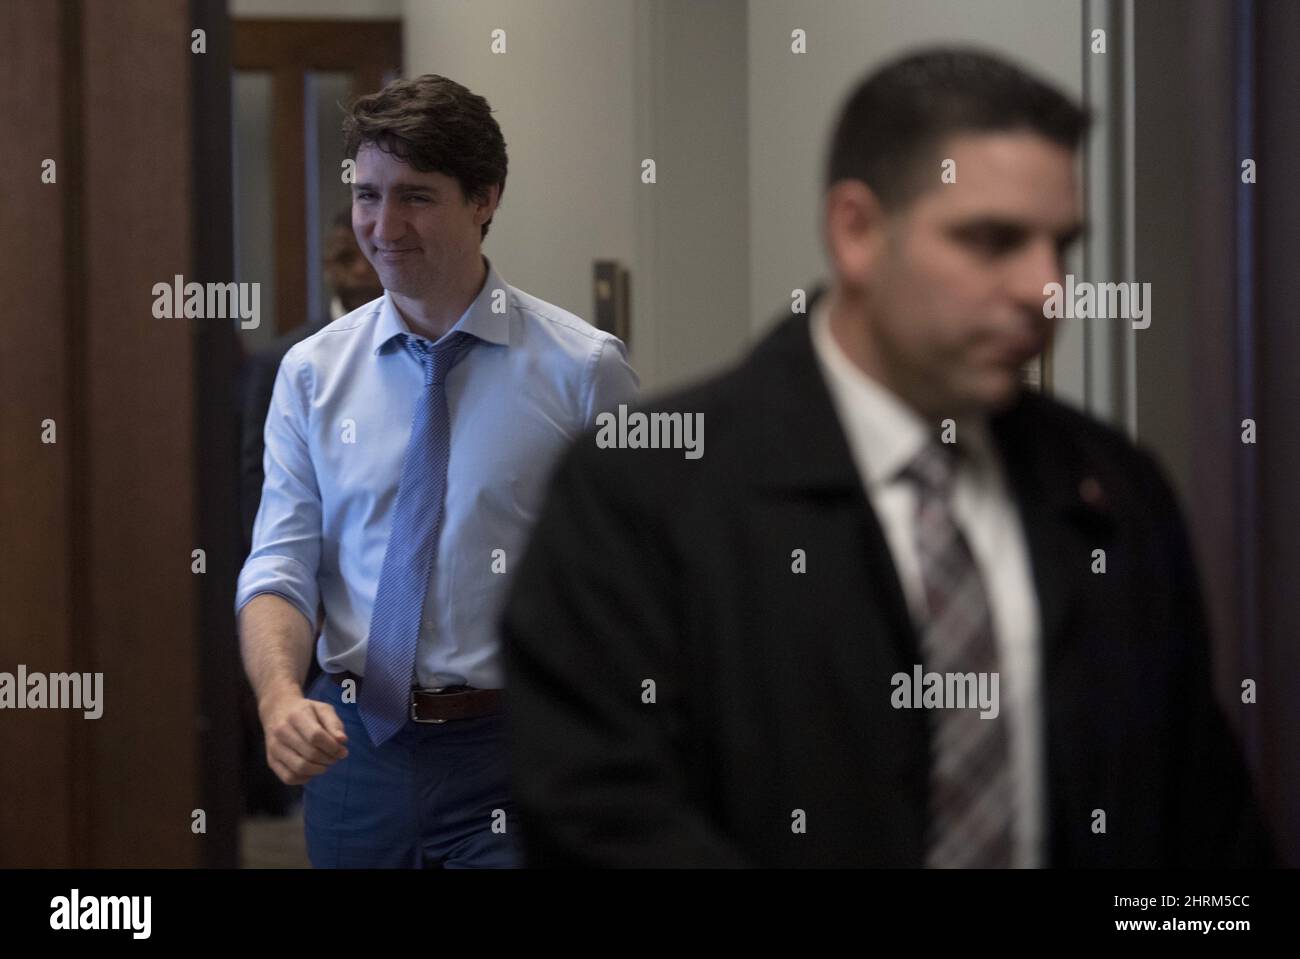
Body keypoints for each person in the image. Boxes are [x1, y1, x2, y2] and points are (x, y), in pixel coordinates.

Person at [500, 48, 1273, 867]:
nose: (1047, 288)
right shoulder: (643, 491)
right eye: (994, 240)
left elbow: (1203, 824)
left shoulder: (1113, 492)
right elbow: (596, 821)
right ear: (857, 230)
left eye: (1062, 247)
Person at [236, 74, 638, 868]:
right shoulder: (312, 374)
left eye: (415, 197)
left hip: (513, 753)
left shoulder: (582, 371)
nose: (382, 228)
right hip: (357, 751)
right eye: (367, 195)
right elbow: (282, 563)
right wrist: (281, 696)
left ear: (485, 198)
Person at [236, 208, 384, 819]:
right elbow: (258, 482)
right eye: (338, 257)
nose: (348, 268)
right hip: (314, 595)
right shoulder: (291, 361)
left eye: (358, 255)